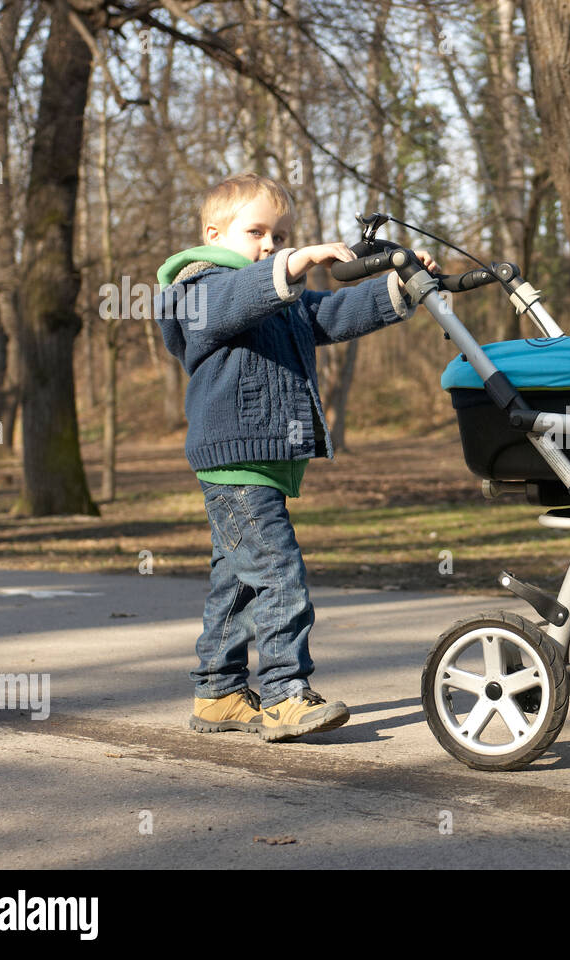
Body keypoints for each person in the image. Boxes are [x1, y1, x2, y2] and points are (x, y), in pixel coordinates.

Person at [153, 172, 438, 742]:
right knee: (279, 572)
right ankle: (285, 693)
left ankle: (218, 692)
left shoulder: (276, 298)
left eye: (279, 235)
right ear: (213, 234)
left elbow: (329, 315)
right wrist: (290, 263)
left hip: (262, 458)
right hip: (234, 461)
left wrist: (399, 288)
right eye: (255, 232)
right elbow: (236, 301)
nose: (269, 244)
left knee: (236, 579)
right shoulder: (198, 289)